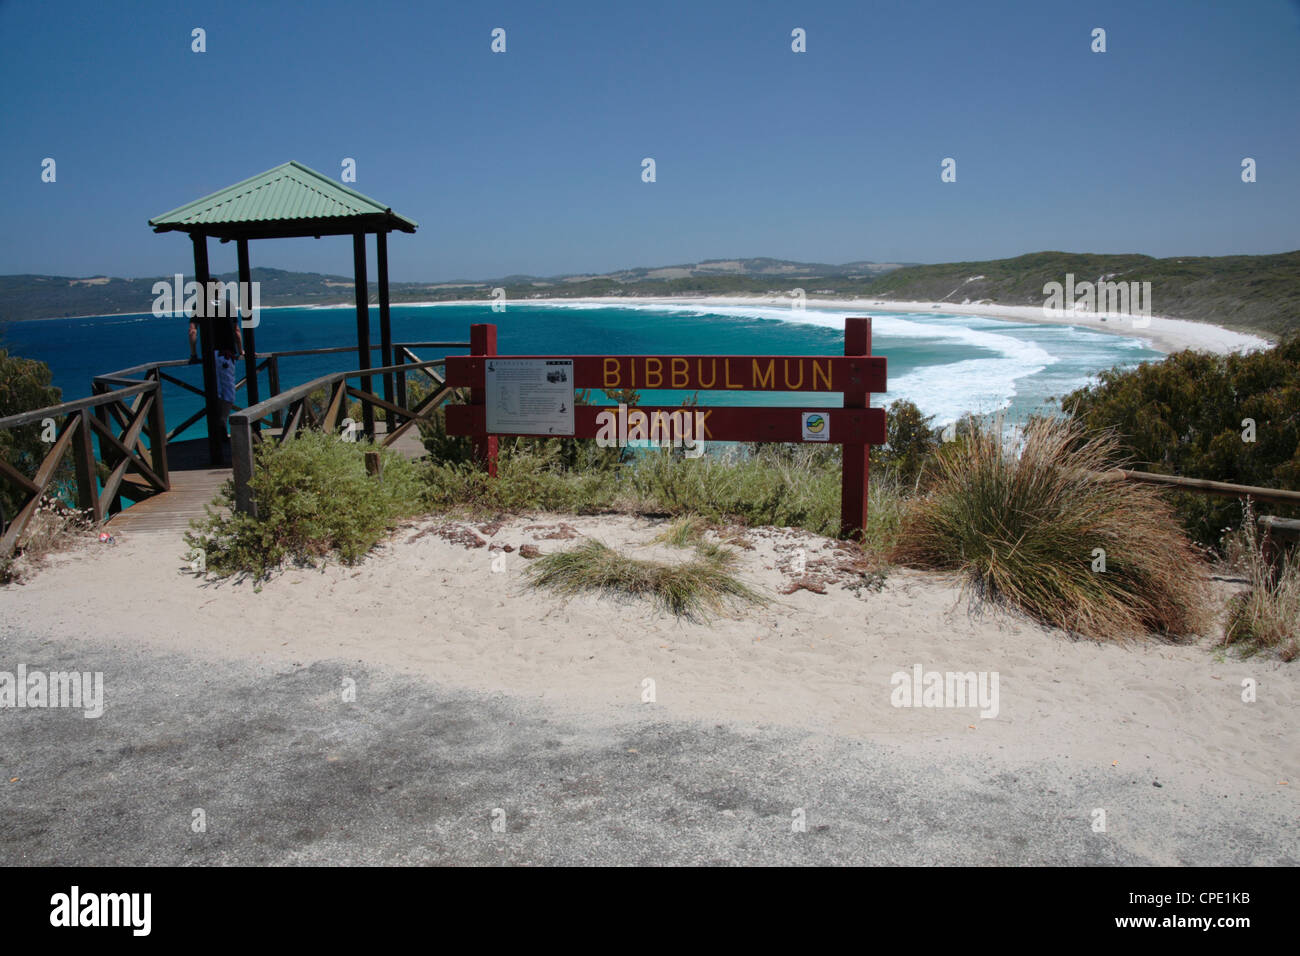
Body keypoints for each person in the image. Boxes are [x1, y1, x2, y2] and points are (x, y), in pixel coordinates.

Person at [188, 280, 243, 439]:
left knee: (214, 391)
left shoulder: (199, 305)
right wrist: (241, 350)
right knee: (228, 392)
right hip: (225, 355)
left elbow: (192, 332)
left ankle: (216, 426)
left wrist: (193, 354)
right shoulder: (228, 305)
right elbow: (236, 331)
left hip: (208, 356)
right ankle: (222, 422)